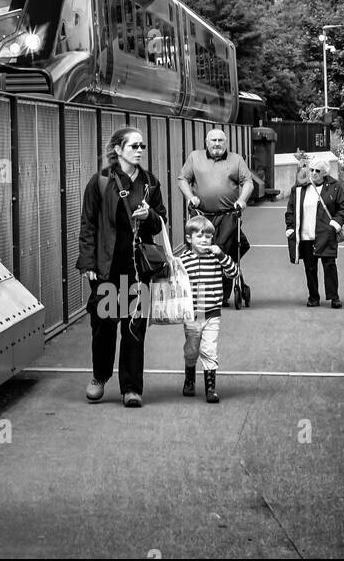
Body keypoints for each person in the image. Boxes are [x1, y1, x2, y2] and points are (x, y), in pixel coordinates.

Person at [77, 126, 168, 408]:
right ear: (118, 149)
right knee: (104, 325)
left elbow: (162, 220)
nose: (140, 150)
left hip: (137, 267)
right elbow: (88, 224)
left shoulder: (150, 182)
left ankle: (131, 387)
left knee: (134, 326)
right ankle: (99, 376)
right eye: (134, 146)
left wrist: (149, 214)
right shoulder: (101, 182)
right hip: (106, 267)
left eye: (142, 146)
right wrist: (89, 262)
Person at [178, 129, 253, 305]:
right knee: (198, 252)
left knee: (223, 252)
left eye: (220, 140)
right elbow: (183, 179)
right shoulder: (195, 157)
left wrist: (242, 200)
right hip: (201, 215)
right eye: (213, 140)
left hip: (227, 215)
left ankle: (223, 294)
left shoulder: (236, 159)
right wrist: (190, 197)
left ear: (225, 142)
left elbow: (248, 182)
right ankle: (196, 292)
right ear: (206, 142)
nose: (217, 144)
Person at [175, 215, 237, 403]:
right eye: (199, 237)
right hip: (192, 315)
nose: (204, 240)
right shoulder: (183, 260)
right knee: (191, 350)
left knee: (209, 350)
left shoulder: (217, 258)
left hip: (212, 313)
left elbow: (233, 272)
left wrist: (221, 255)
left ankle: (211, 388)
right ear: (189, 239)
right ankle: (190, 378)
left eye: (208, 237)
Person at [285, 157, 344, 308]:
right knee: (310, 267)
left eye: (317, 171)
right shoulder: (299, 188)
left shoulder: (335, 186)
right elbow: (291, 210)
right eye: (311, 170)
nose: (313, 173)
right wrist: (290, 227)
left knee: (329, 265)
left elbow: (343, 208)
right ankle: (313, 296)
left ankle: (334, 297)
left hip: (326, 234)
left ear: (324, 173)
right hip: (306, 235)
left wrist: (335, 224)